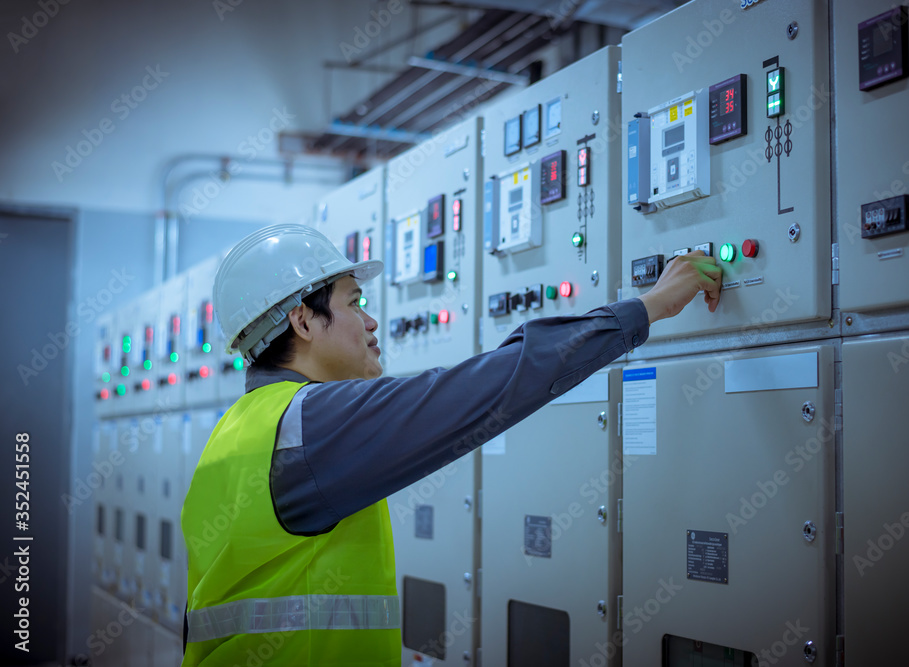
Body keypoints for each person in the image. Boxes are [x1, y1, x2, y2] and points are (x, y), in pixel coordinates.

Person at [180, 224, 721, 666]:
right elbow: (491, 385)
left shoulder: (238, 430)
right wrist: (646, 307)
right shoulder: (312, 425)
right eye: (354, 302)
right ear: (302, 319)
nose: (371, 322)